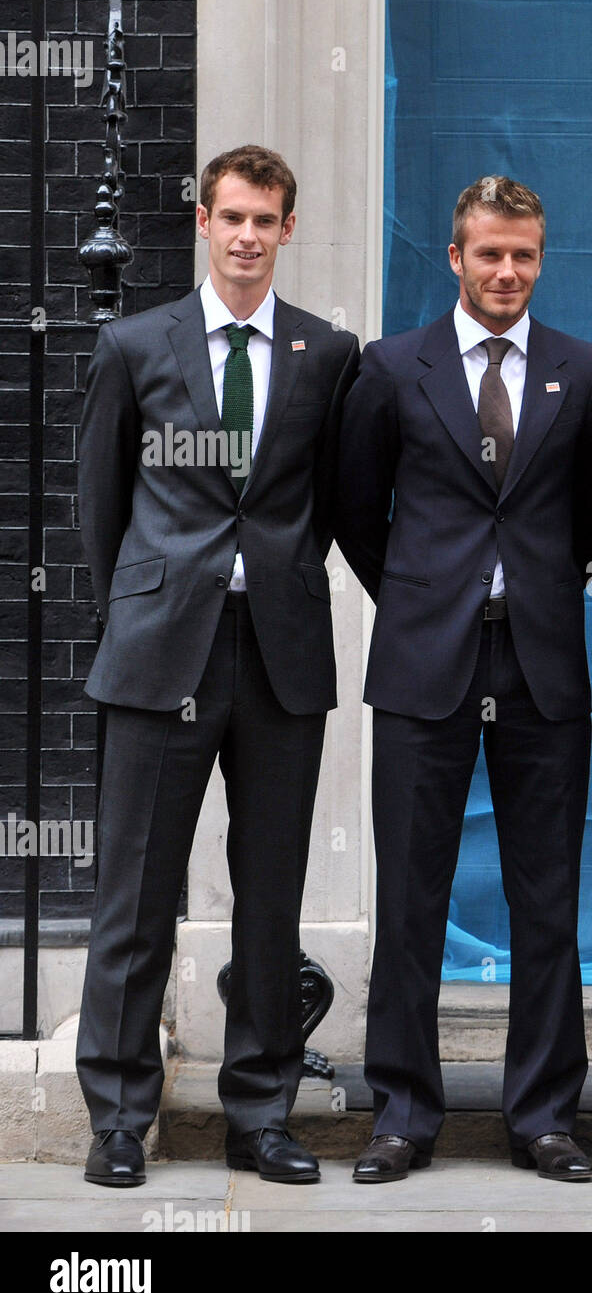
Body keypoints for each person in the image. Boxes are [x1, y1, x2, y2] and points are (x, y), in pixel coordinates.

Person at [76, 145, 361, 1186]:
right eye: (229, 216)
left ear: (289, 230)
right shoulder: (134, 343)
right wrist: (137, 612)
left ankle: (259, 1113)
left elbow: (331, 499)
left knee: (271, 893)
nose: (246, 235)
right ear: (202, 221)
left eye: (265, 219)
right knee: (134, 893)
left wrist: (277, 575)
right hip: (160, 653)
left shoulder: (327, 353)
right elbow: (101, 504)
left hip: (277, 652)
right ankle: (117, 1114)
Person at [337, 176, 592, 1185]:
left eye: (522, 256)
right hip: (422, 661)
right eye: (488, 253)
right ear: (453, 257)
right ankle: (403, 1115)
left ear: (541, 259)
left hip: (539, 661)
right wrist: (423, 593)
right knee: (411, 896)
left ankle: (542, 1116)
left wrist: (526, 591)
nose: (505, 272)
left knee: (548, 901)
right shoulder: (389, 367)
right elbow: (357, 510)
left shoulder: (583, 371)